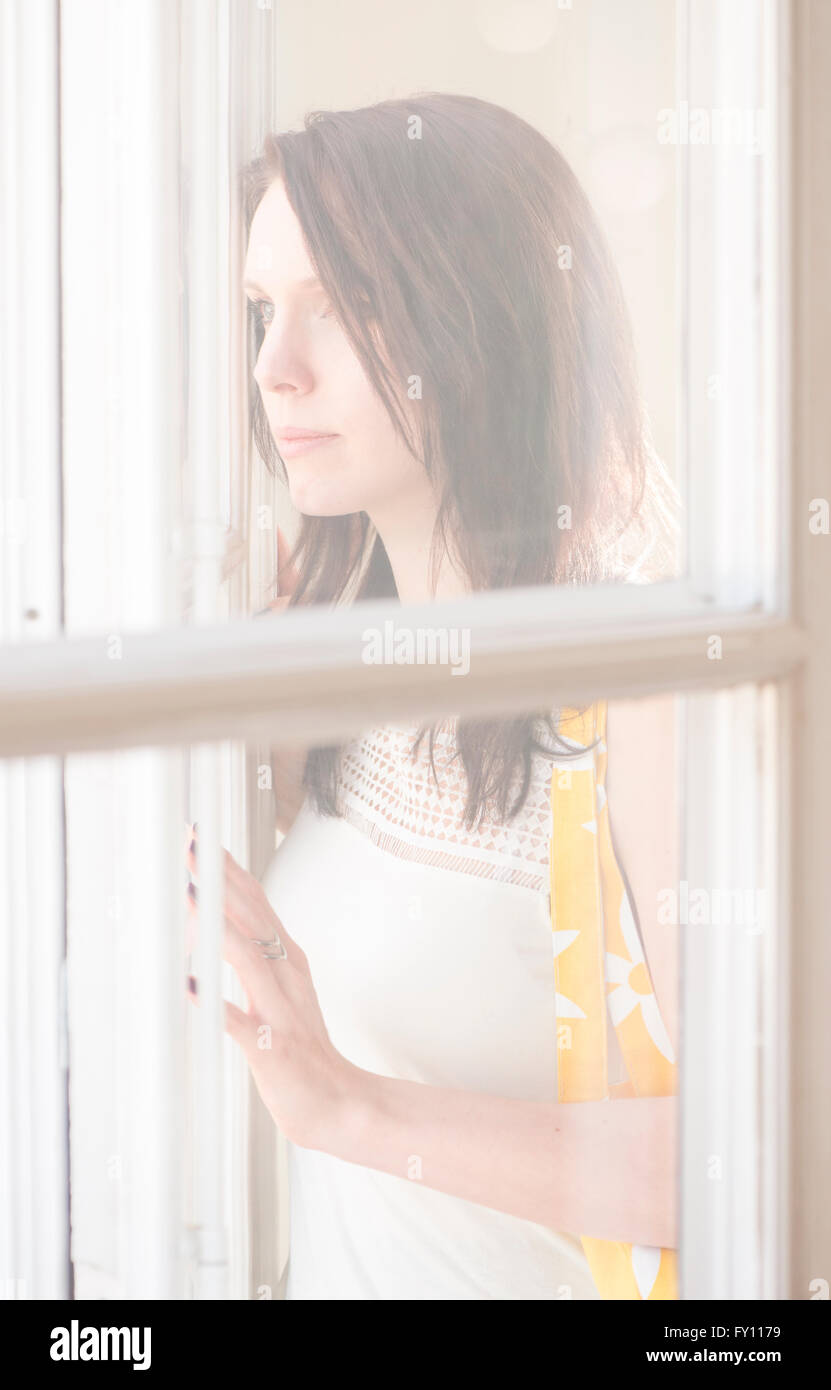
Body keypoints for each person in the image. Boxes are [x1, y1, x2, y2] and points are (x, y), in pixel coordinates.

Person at [186, 93, 680, 1300]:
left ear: (480, 323)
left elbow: (743, 1162)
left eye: (336, 311)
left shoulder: (644, 679)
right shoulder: (334, 646)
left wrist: (350, 1106)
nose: (271, 369)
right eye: (260, 311)